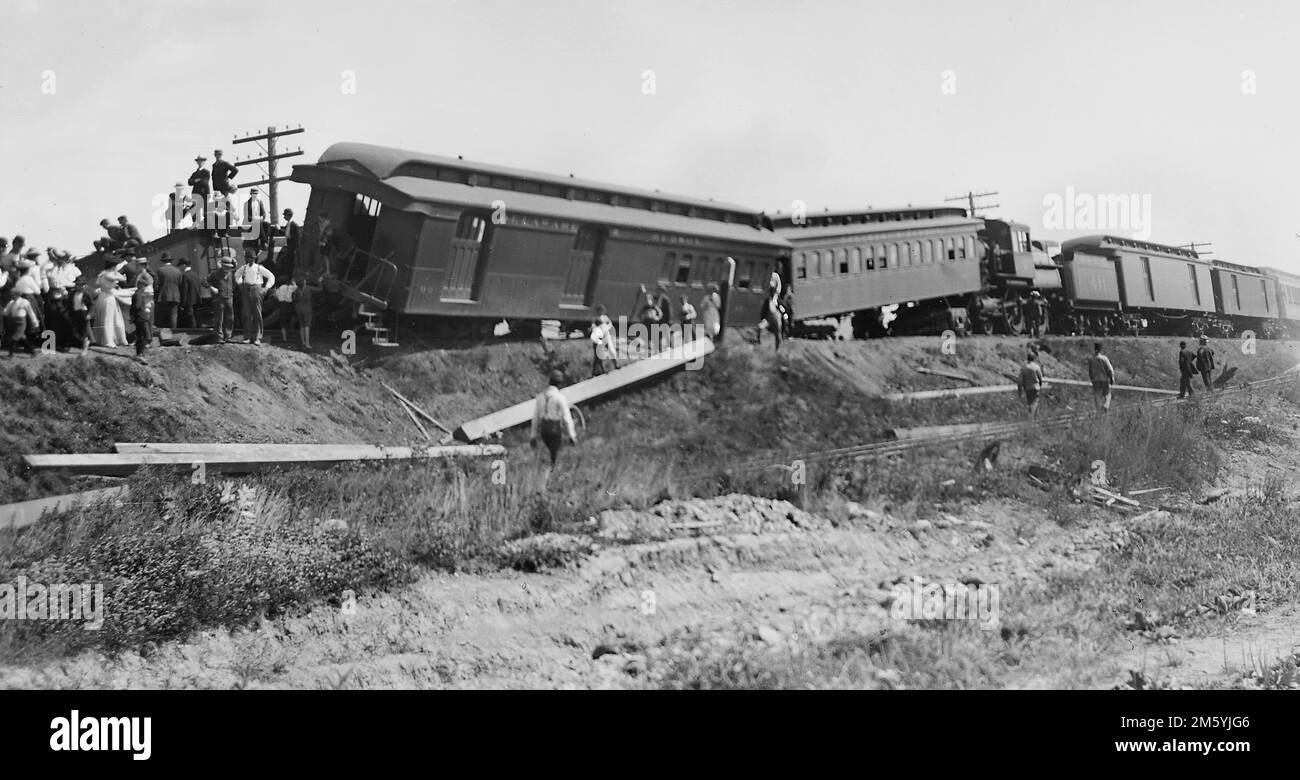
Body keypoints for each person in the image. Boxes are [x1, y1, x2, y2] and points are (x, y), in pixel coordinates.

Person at [530, 370, 578, 466]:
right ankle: (553, 469)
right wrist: (571, 435)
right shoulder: (560, 397)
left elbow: (535, 419)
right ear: (559, 384)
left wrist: (533, 436)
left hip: (544, 430)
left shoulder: (540, 397)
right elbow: (566, 417)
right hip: (554, 429)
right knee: (554, 453)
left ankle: (549, 468)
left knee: (550, 452)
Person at [236, 249, 275, 345]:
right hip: (246, 289)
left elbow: (271, 276)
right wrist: (240, 284)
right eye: (248, 258)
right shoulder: (243, 268)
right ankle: (248, 336)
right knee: (246, 314)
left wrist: (266, 288)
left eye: (252, 258)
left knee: (257, 313)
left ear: (254, 259)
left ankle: (257, 337)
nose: (250, 260)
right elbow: (236, 275)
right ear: (246, 258)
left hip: (256, 289)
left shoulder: (259, 268)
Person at [90, 258, 128, 347]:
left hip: (103, 296)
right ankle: (108, 341)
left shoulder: (103, 274)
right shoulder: (109, 275)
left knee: (109, 318)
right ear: (113, 266)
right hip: (108, 297)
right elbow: (122, 278)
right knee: (108, 319)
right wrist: (117, 271)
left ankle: (112, 339)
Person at [206, 252, 237, 341]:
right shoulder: (215, 273)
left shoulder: (231, 273)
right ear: (222, 265)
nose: (228, 268)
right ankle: (219, 337)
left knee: (230, 318)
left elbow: (236, 266)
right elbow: (205, 281)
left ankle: (228, 336)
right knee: (219, 318)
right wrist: (212, 288)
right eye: (226, 266)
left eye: (229, 267)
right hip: (219, 298)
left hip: (229, 297)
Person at [2, 289, 40, 356]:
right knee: (23, 337)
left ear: (17, 294)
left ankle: (10, 354)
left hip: (21, 323)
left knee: (13, 338)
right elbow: (6, 312)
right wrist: (2, 310)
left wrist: (35, 321)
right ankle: (32, 351)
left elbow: (31, 313)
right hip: (14, 323)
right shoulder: (11, 303)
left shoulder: (24, 302)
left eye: (13, 294)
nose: (11, 296)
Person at [292, 272, 321, 349]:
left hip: (299, 309)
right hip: (307, 309)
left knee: (301, 326)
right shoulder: (308, 288)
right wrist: (320, 281)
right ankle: (307, 344)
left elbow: (294, 299)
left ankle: (303, 342)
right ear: (304, 282)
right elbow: (320, 289)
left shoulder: (296, 290)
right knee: (307, 327)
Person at [154, 253, 183, 329]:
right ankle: (173, 333)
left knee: (161, 318)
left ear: (162, 261)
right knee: (173, 317)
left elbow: (156, 285)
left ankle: (162, 335)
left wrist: (155, 297)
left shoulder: (159, 270)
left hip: (162, 297)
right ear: (170, 261)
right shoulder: (178, 271)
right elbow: (180, 285)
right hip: (175, 297)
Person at [130, 277, 155, 362]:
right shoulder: (138, 295)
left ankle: (140, 353)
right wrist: (143, 310)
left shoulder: (139, 294)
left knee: (142, 336)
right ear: (140, 285)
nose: (145, 287)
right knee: (143, 336)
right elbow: (136, 306)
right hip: (141, 317)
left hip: (141, 317)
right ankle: (140, 354)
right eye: (144, 286)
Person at [1086, 341, 1116, 413]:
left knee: (1096, 395)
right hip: (1104, 379)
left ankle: (1098, 410)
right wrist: (1112, 378)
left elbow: (1090, 371)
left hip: (1095, 380)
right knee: (1107, 394)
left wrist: (1092, 379)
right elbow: (1110, 369)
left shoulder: (1091, 359)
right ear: (1100, 349)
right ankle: (1105, 406)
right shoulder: (1104, 358)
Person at [589, 304, 616, 376]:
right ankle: (601, 370)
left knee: (611, 351)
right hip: (600, 339)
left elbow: (610, 325)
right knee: (599, 356)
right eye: (600, 311)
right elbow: (594, 328)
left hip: (606, 337)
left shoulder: (605, 317)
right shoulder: (595, 319)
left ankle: (615, 365)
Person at [272, 276, 298, 343]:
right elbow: (296, 287)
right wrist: (293, 282)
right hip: (289, 306)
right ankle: (292, 332)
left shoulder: (279, 289)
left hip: (282, 306)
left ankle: (284, 339)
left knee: (283, 324)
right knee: (292, 318)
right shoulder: (290, 287)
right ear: (287, 281)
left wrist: (275, 291)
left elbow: (275, 296)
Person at [1018, 351, 1045, 418]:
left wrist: (1020, 390)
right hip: (1035, 387)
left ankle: (1031, 417)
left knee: (1030, 403)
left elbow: (1020, 380)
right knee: (1035, 403)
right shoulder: (1036, 367)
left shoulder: (1024, 367)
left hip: (1027, 388)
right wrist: (1040, 385)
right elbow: (1040, 378)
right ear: (1034, 358)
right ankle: (1032, 418)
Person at [188, 155, 211, 229]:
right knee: (194, 210)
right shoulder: (194, 173)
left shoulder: (206, 172)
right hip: (195, 194)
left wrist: (195, 181)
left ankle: (206, 225)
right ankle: (195, 225)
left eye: (201, 161)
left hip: (204, 194)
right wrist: (196, 180)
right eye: (198, 161)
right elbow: (189, 181)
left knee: (205, 211)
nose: (200, 162)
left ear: (204, 162)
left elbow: (205, 182)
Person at [178, 258, 201, 328]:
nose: (179, 267)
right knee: (197, 317)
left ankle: (193, 331)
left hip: (188, 301)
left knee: (190, 319)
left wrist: (182, 303)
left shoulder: (185, 275)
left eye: (180, 265)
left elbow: (184, 290)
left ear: (184, 265)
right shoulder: (195, 274)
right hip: (196, 299)